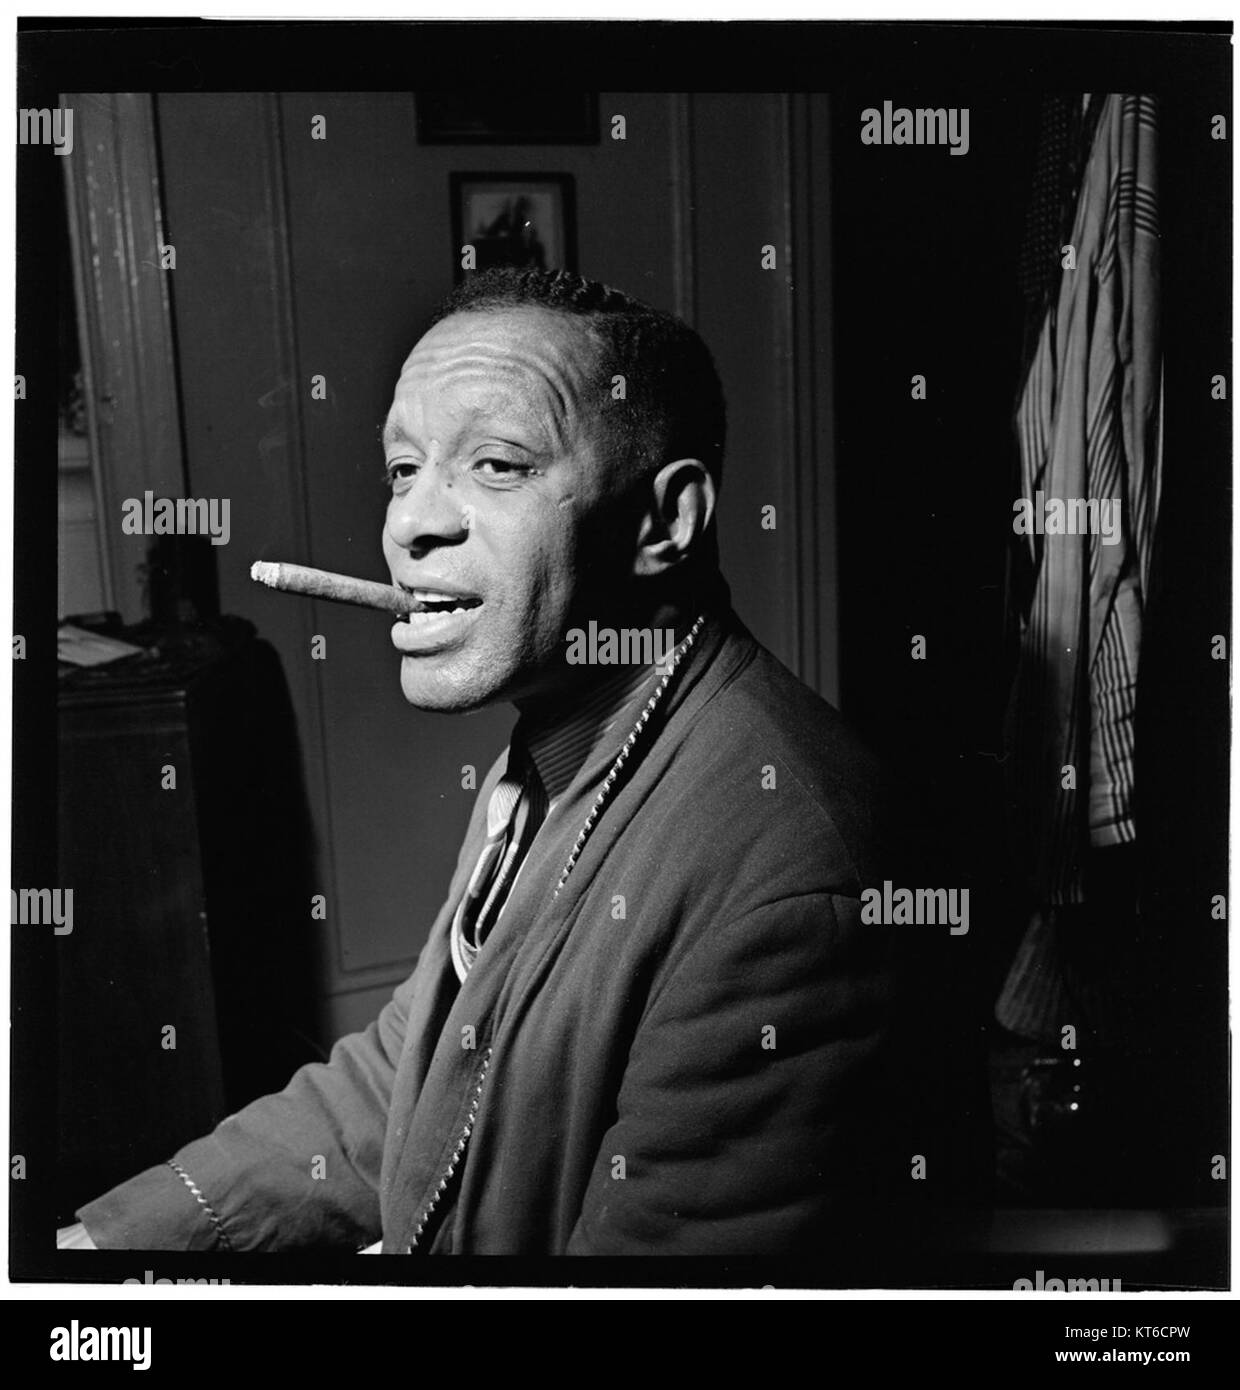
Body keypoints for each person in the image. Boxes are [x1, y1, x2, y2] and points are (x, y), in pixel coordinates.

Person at [59, 268, 899, 1257]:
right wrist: (107, 1245)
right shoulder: (558, 735)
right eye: (402, 469)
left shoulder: (790, 883)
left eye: (498, 465)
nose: (411, 523)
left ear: (665, 522)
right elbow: (410, 1071)